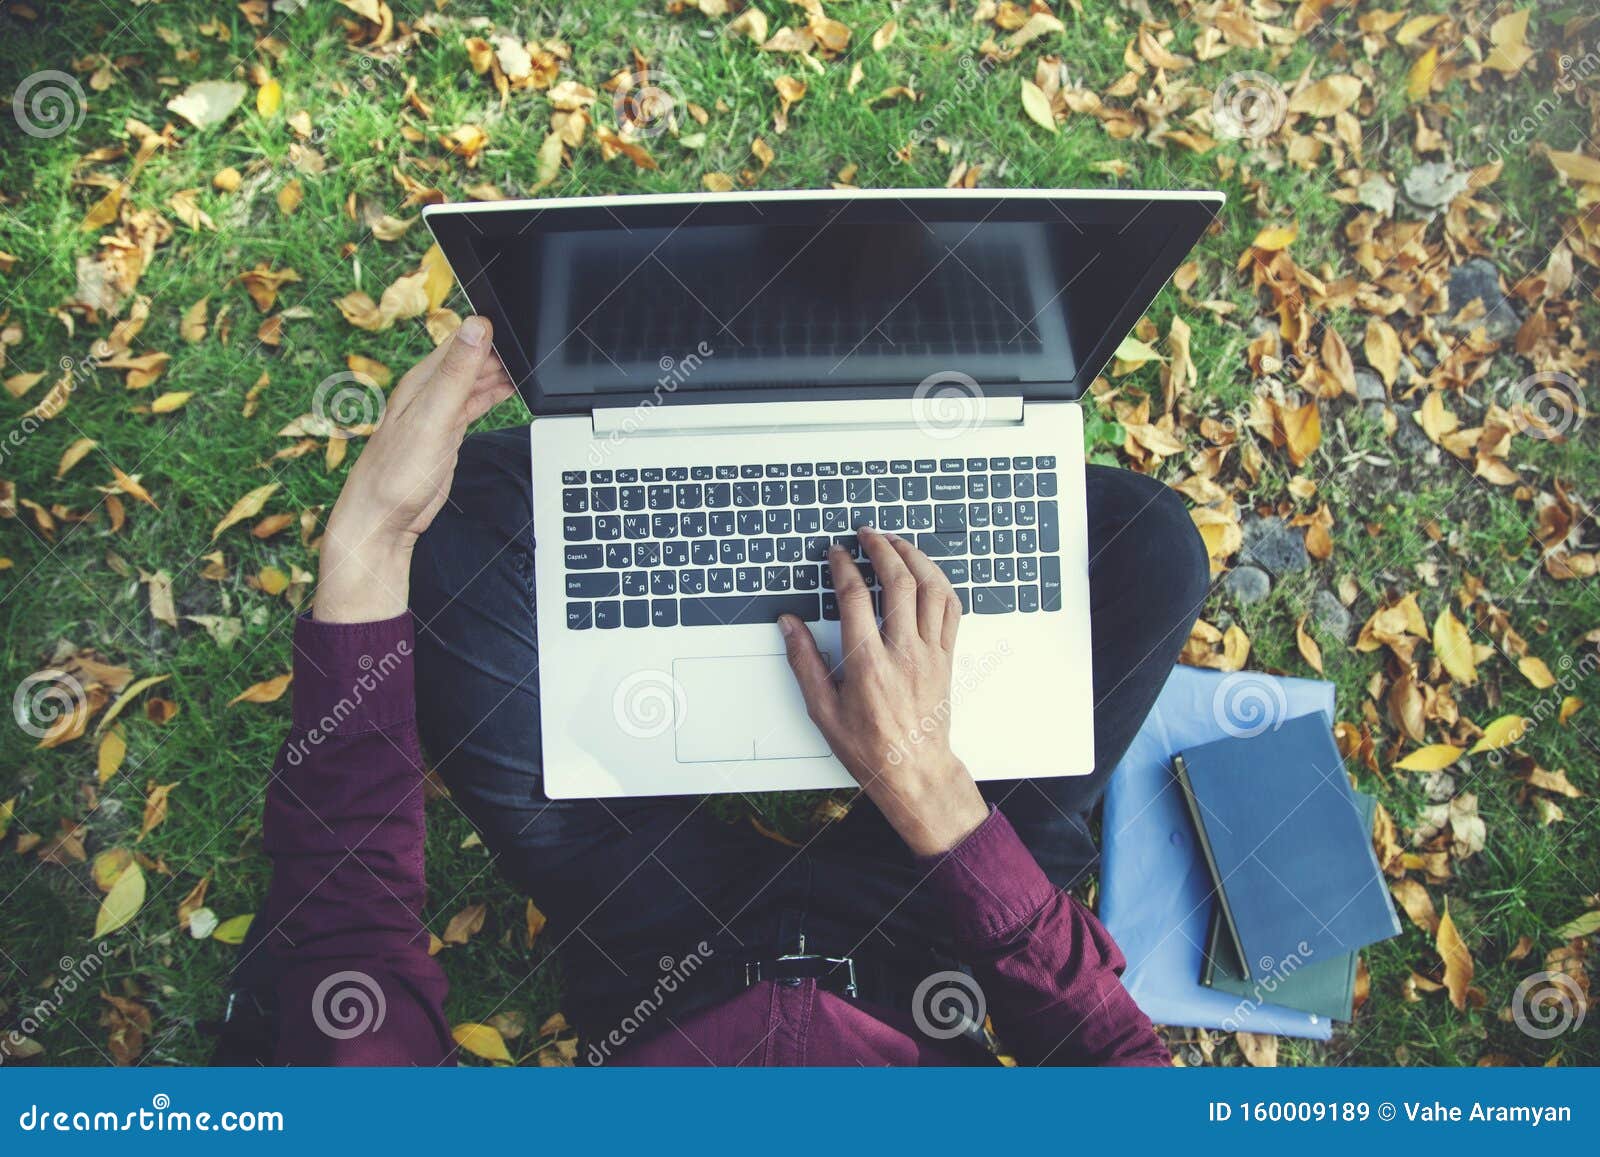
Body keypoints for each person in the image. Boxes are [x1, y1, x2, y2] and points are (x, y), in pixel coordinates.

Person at [216, 315, 1209, 1066]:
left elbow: (342, 942)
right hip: (927, 935)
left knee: (461, 525)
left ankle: (730, 471)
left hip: (644, 932)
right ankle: (818, 474)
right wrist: (927, 784)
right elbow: (1108, 1057)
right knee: (1148, 555)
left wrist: (371, 544)